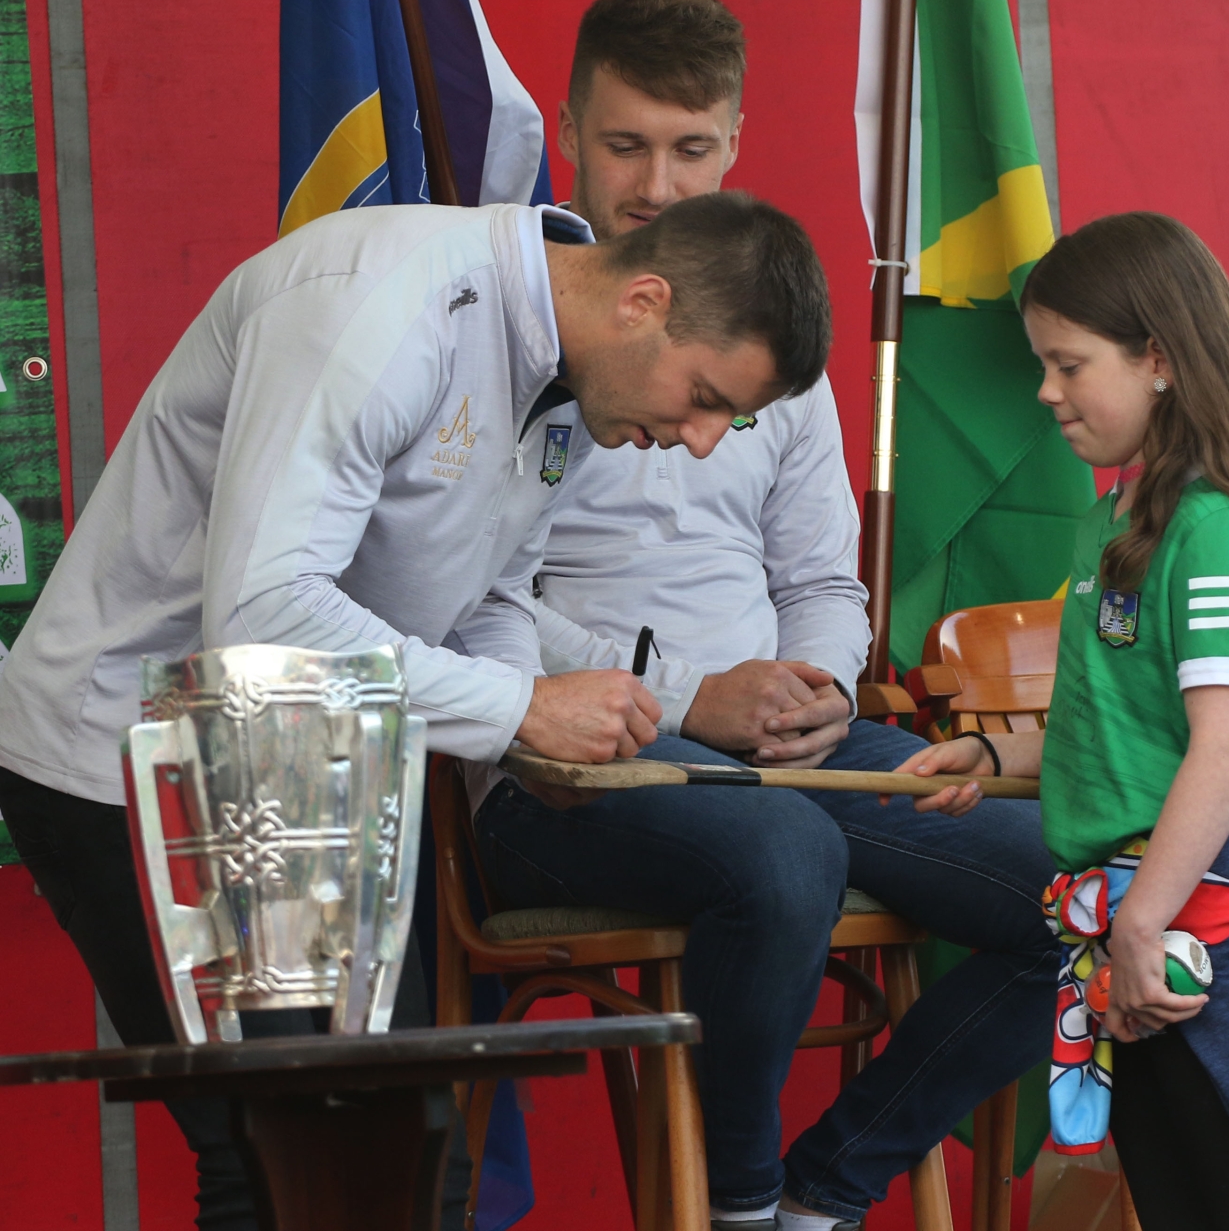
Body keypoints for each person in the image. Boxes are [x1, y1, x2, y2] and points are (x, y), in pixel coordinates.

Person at [0, 190, 831, 1231]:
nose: (704, 441)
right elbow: (263, 612)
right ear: (644, 301)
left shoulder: (577, 380)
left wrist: (532, 714)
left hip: (298, 750)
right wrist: (519, 709)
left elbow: (493, 592)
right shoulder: (383, 308)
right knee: (281, 1166)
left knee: (393, 1167)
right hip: (134, 746)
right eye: (705, 395)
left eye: (732, 418)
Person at [467, 0, 1058, 1231]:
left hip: (796, 746)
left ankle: (821, 1194)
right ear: (571, 125)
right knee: (786, 857)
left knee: (1084, 888)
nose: (658, 186)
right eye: (626, 145)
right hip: (569, 758)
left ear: (734, 141)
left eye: (691, 149)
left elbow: (825, 582)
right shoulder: (519, 323)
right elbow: (476, 599)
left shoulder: (779, 336)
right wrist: (692, 697)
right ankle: (737, 1209)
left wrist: (821, 690)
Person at [899, 212, 1229, 1231]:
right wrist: (995, 750)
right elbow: (1119, 729)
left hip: (1199, 919)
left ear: (1157, 358)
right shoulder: (1111, 523)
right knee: (1172, 1198)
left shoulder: (1210, 529)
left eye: (1069, 365)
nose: (1046, 391)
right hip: (1137, 910)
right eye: (1043, 364)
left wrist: (1145, 922)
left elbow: (1225, 743)